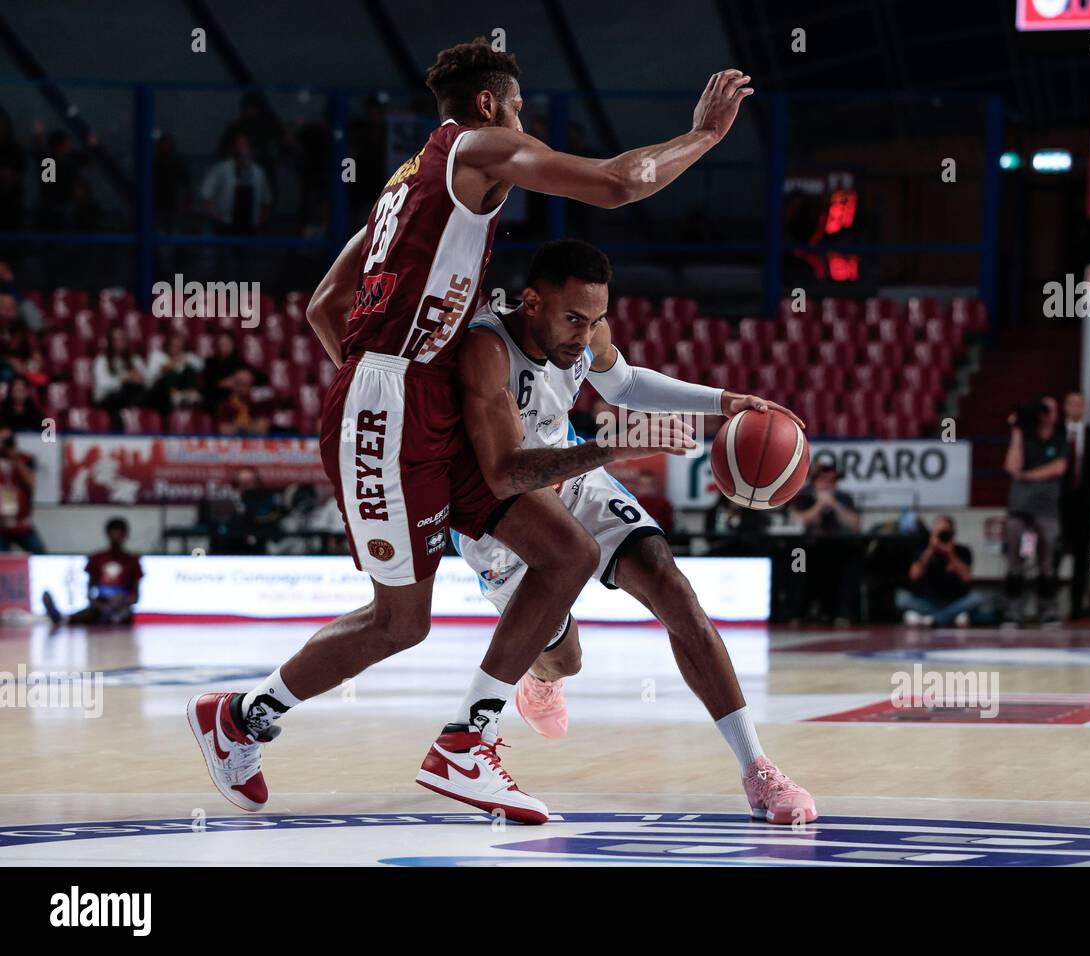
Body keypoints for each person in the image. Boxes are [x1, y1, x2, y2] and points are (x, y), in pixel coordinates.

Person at [188, 38, 753, 824]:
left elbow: (324, 306)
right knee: (401, 622)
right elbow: (621, 183)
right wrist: (705, 136)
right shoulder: (479, 147)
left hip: (414, 399)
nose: (526, 128)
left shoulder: (402, 184)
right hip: (392, 406)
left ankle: (465, 740)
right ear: (490, 104)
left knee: (569, 550)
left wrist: (393, 378)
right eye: (520, 110)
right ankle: (243, 716)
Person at [452, 239, 815, 823]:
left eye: (596, 320)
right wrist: (615, 447)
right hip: (503, 513)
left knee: (673, 590)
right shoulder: (485, 350)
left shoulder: (585, 332)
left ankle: (758, 770)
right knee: (564, 658)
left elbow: (623, 386)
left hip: (571, 475)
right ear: (532, 302)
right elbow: (505, 473)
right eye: (574, 319)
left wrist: (725, 402)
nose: (586, 334)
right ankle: (541, 678)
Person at [1004, 395, 1067, 623]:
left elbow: (1059, 467)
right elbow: (1012, 466)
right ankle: (1013, 608)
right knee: (1015, 561)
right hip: (1020, 506)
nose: (1051, 414)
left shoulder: (1060, 438)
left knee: (1047, 561)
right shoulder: (1025, 436)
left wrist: (1029, 475)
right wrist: (1017, 431)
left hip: (1047, 508)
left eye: (1053, 410)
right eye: (1047, 410)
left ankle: (1047, 608)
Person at [790, 463, 862, 625]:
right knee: (796, 563)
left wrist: (835, 505)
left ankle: (842, 612)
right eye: (824, 480)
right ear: (814, 481)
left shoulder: (843, 497)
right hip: (807, 548)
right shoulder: (804, 496)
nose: (828, 485)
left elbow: (855, 525)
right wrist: (820, 505)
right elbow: (799, 520)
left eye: (832, 481)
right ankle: (798, 611)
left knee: (852, 560)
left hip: (836, 547)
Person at [42, 518, 142, 625]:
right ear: (107, 534)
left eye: (119, 532)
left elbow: (136, 597)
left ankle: (66, 619)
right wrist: (99, 605)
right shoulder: (97, 558)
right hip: (99, 606)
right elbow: (89, 592)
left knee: (119, 617)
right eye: (113, 532)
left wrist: (122, 601)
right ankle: (62, 618)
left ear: (125, 535)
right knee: (91, 615)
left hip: (122, 608)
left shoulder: (133, 561)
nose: (116, 536)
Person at [1059, 392, 1090, 619]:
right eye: (1072, 404)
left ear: (1085, 408)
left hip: (1084, 503)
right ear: (1065, 407)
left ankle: (1077, 603)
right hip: (1057, 503)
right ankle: (1047, 600)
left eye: (1080, 404)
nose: (1076, 408)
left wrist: (1084, 492)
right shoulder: (1057, 434)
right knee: (1054, 550)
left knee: (1083, 553)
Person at [897, 515, 982, 627]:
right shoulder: (923, 550)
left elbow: (966, 577)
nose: (942, 536)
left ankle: (930, 619)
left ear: (953, 533)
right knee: (901, 598)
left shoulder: (962, 551)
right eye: (939, 532)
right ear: (933, 533)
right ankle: (951, 617)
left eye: (945, 533)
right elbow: (914, 575)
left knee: (976, 599)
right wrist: (931, 549)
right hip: (927, 601)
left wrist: (950, 553)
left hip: (954, 600)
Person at [93, 327, 149, 422]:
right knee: (124, 390)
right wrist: (124, 378)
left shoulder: (135, 359)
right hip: (107, 400)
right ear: (110, 342)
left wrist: (139, 378)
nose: (120, 342)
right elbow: (103, 384)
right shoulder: (101, 360)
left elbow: (146, 379)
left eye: (123, 339)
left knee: (142, 392)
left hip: (130, 398)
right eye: (117, 339)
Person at [0, 426, 41, 552]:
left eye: (8, 439)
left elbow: (31, 482)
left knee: (40, 554)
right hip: (1, 525)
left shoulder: (25, 459)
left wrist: (15, 459)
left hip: (21, 524)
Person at [146, 332, 203, 414]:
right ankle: (175, 395)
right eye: (174, 345)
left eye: (180, 346)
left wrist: (184, 360)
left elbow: (200, 366)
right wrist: (164, 368)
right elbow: (149, 378)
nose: (177, 348)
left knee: (189, 369)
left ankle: (190, 393)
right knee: (169, 372)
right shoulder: (158, 356)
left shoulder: (186, 356)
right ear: (168, 345)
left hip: (183, 391)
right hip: (162, 393)